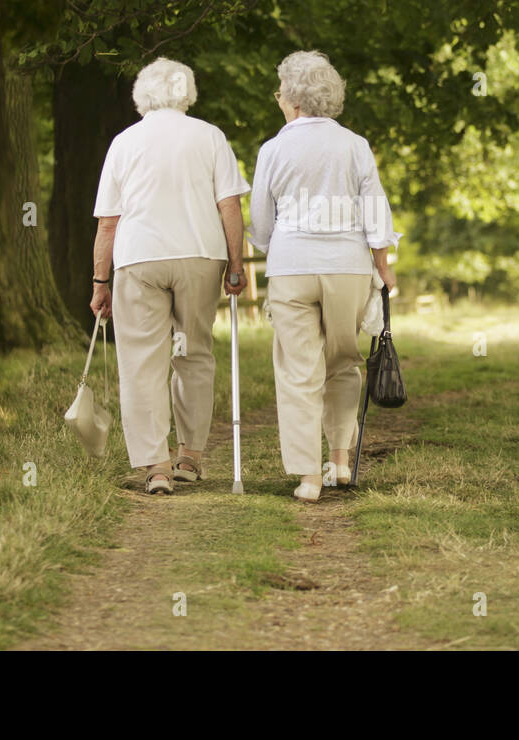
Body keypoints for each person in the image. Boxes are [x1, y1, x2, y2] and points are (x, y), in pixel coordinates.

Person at [89, 58, 249, 495]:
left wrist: (100, 282)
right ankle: (190, 457)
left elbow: (108, 222)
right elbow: (229, 206)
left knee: (141, 362)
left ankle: (156, 467)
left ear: (142, 94)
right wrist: (236, 264)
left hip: (140, 257)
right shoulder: (210, 135)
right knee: (194, 353)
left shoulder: (125, 141)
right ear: (188, 92)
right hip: (200, 255)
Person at [250, 51, 398, 503]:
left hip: (292, 265)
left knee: (298, 371)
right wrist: (383, 267)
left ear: (293, 99)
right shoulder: (354, 144)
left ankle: (308, 477)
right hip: (347, 266)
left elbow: (260, 221)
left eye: (280, 93)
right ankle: (339, 460)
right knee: (343, 361)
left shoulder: (273, 149)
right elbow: (374, 207)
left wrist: (273, 245)